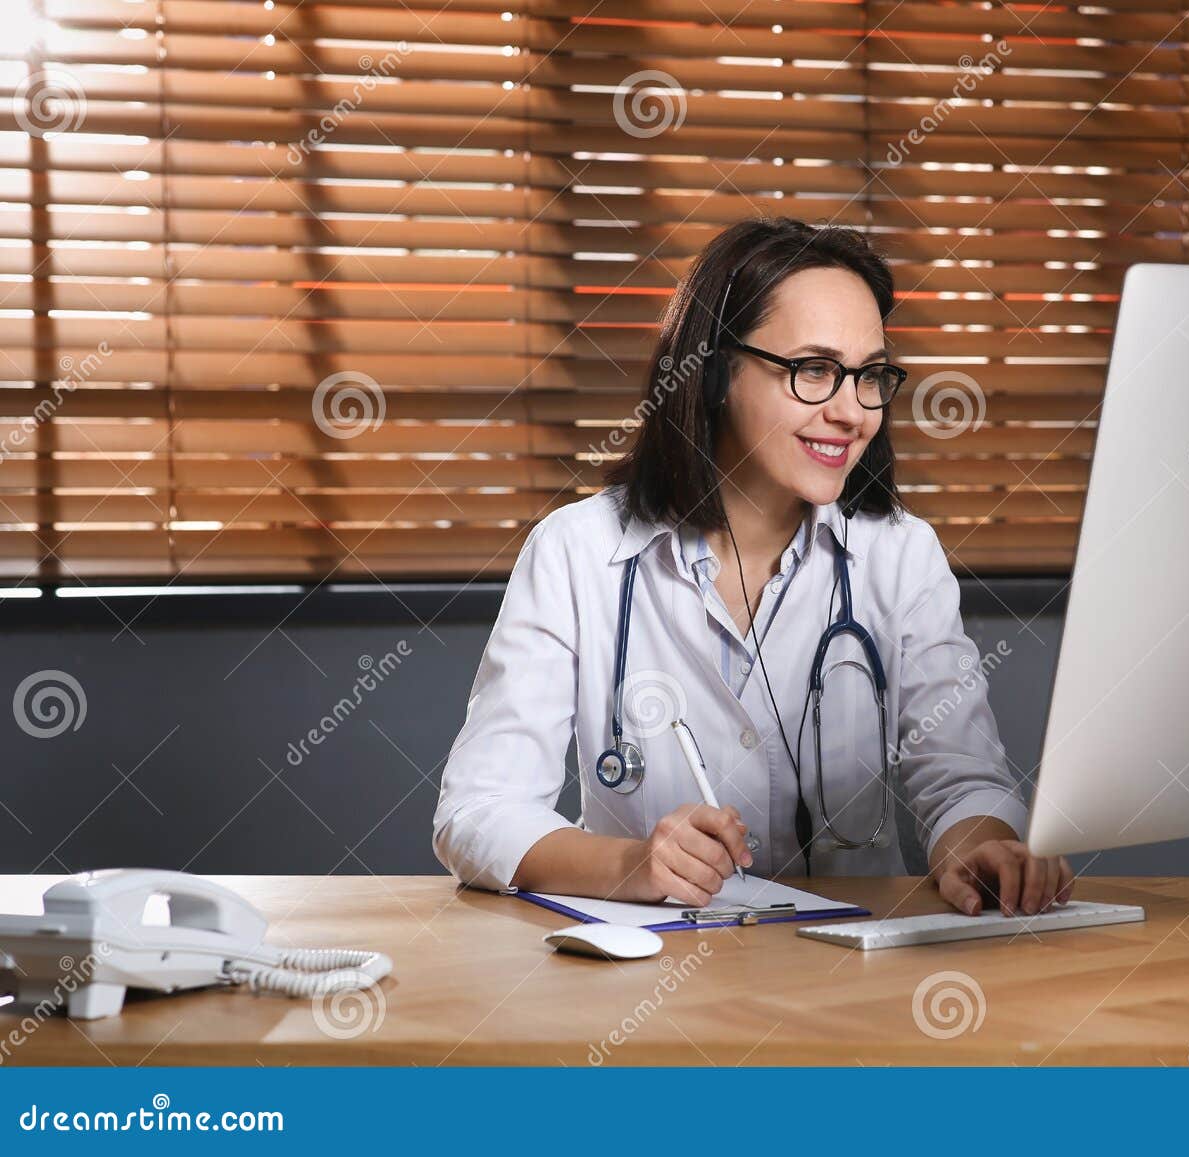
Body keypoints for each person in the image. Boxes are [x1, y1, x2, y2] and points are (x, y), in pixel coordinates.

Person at [432, 217, 1074, 916]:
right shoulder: (576, 552)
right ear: (713, 371)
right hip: (647, 986)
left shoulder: (899, 554)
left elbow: (962, 779)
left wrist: (977, 843)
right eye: (815, 370)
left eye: (870, 376)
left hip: (850, 986)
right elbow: (478, 812)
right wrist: (632, 862)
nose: (852, 411)